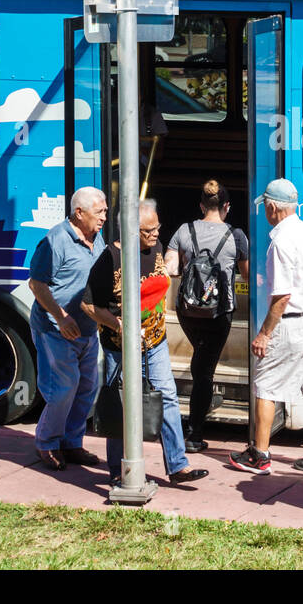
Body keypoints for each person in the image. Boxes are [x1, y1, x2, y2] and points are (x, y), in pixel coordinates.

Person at [81, 199, 208, 485]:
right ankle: (118, 471)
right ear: (129, 229)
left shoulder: (157, 248)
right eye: (148, 230)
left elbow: (158, 286)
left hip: (155, 342)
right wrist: (119, 325)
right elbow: (88, 305)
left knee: (168, 398)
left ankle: (177, 466)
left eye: (157, 227)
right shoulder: (109, 259)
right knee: (122, 405)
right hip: (121, 347)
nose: (155, 234)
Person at [229, 178, 303, 476]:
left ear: (273, 207)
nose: (265, 213)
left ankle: (259, 455)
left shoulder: (281, 242)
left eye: (266, 207)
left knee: (266, 386)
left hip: (292, 324)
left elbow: (283, 295)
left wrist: (264, 333)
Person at [165, 179, 250, 452]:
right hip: (219, 311)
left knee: (201, 358)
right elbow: (246, 275)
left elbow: (172, 269)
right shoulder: (236, 236)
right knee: (204, 368)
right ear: (227, 206)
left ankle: (197, 416)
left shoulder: (183, 230)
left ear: (202, 206)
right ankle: (194, 433)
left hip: (188, 310)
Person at [26, 187, 107, 471]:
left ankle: (72, 443)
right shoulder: (55, 240)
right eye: (100, 212)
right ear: (79, 213)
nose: (104, 217)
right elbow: (36, 285)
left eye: (105, 211)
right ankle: (47, 443)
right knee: (64, 388)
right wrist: (61, 317)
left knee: (87, 388)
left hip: (87, 329)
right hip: (56, 330)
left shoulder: (97, 238)